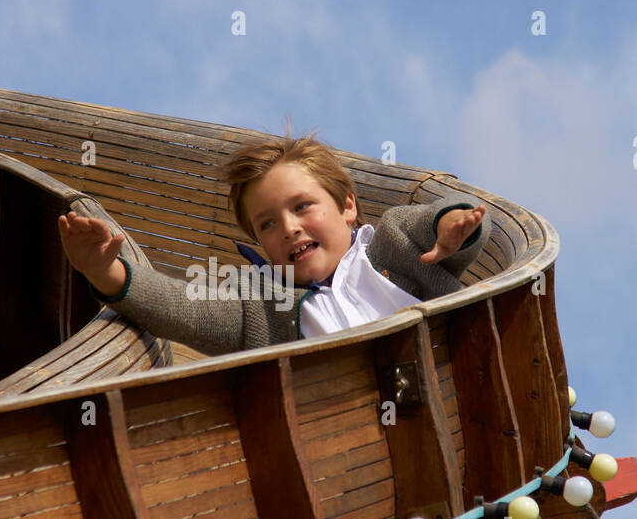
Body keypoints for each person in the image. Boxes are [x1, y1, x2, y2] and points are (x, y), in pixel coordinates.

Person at [57, 133, 488, 355]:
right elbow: (180, 309)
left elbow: (440, 220)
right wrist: (104, 272)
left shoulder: (393, 242)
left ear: (348, 206)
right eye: (267, 224)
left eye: (302, 206)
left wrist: (453, 225)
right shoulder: (264, 307)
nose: (288, 228)